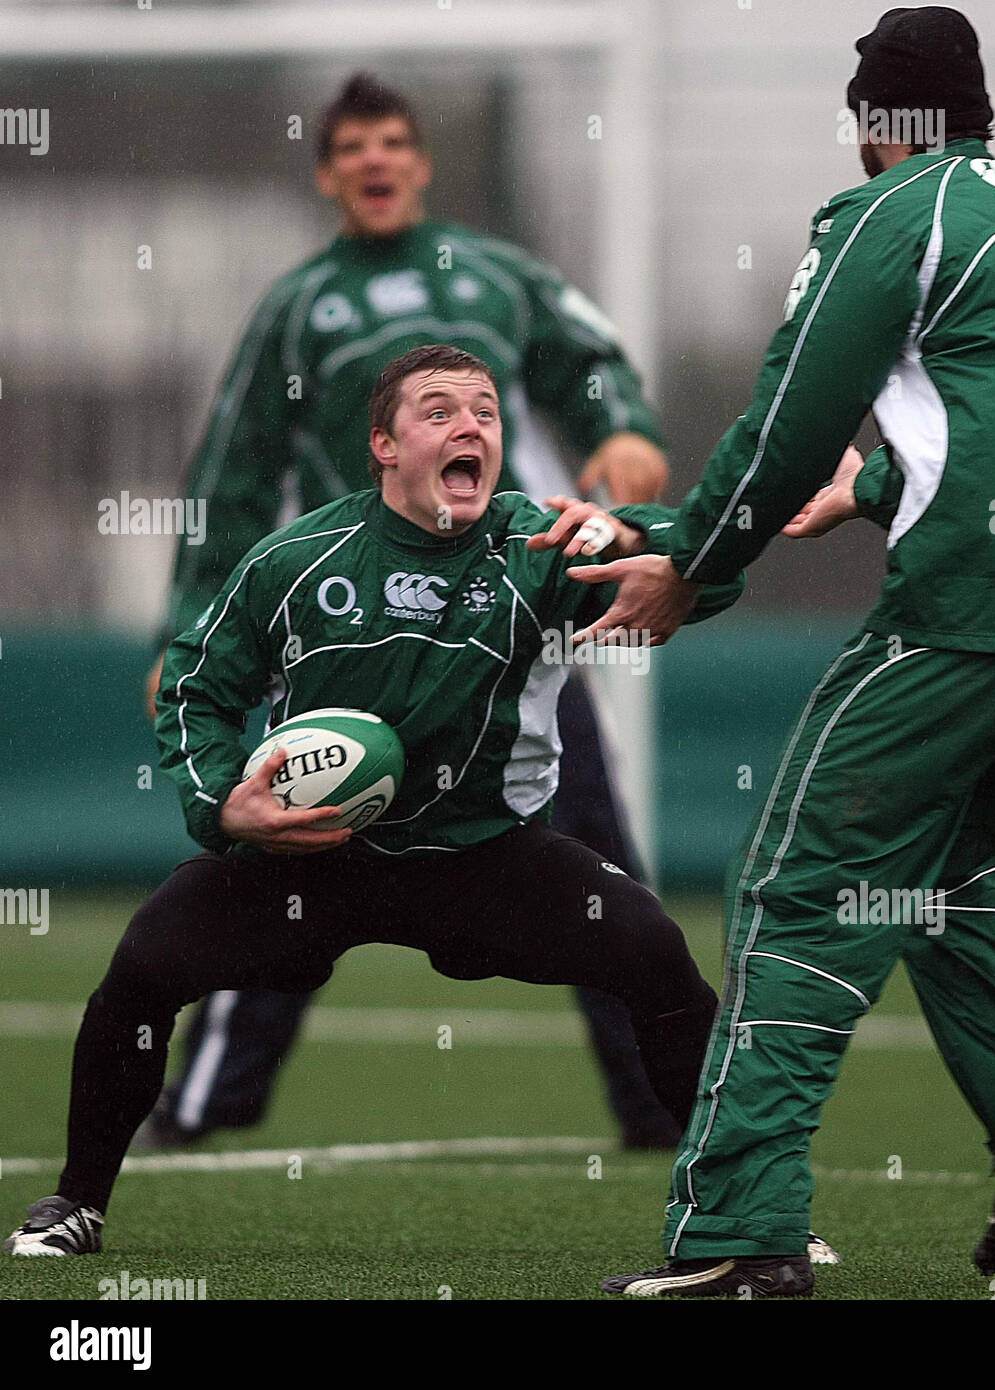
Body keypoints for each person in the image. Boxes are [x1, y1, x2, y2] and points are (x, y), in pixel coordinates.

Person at [581, 7, 995, 1297]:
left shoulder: (882, 213)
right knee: (935, 879)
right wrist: (872, 490)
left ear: (872, 118)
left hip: (976, 608)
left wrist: (698, 563)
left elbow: (785, 416)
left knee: (799, 882)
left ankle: (741, 1232)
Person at [5, 345, 742, 1258]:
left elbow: (708, 563)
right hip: (316, 859)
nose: (470, 424)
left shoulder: (543, 544)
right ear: (384, 446)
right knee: (150, 958)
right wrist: (222, 809)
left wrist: (649, 551)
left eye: (485, 410)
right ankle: (77, 1201)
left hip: (488, 862)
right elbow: (198, 684)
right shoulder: (300, 559)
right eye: (439, 412)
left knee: (655, 951)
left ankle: (738, 1214)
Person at [141, 72, 679, 1153]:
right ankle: (202, 1106)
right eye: (353, 147)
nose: (376, 160)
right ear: (327, 170)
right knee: (305, 851)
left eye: (393, 141)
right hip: (353, 629)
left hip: (503, 614)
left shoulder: (494, 277)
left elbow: (588, 360)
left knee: (597, 857)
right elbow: (233, 475)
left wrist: (617, 426)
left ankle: (661, 1109)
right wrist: (185, 629)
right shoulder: (296, 310)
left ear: (420, 161)